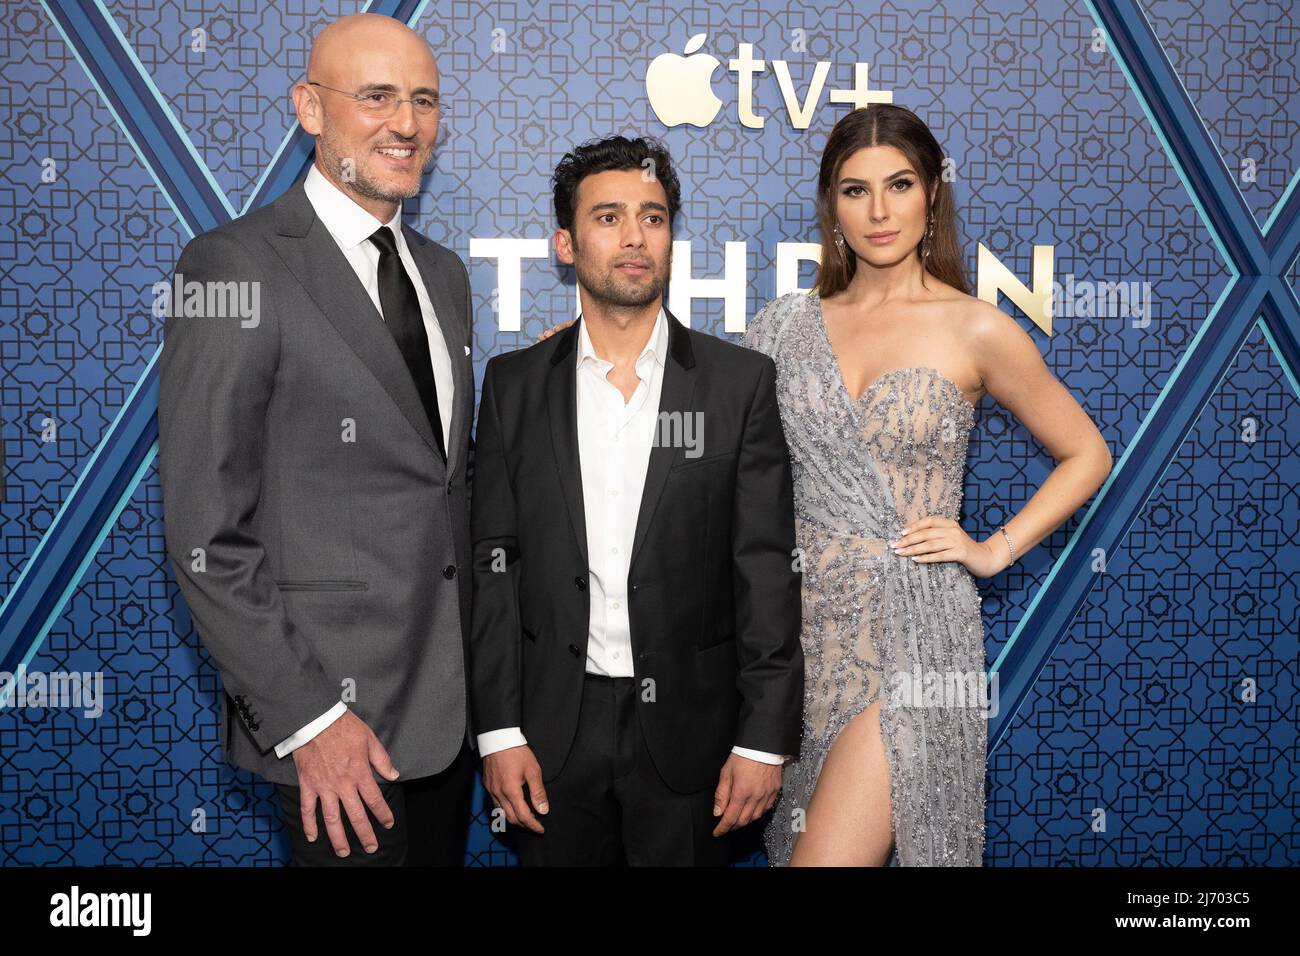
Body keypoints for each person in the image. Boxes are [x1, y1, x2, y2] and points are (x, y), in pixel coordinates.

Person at [744, 104, 1113, 865]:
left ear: (933, 195)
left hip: (914, 636)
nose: (879, 211)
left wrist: (993, 549)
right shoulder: (783, 326)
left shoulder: (975, 327)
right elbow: (701, 416)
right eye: (855, 190)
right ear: (831, 206)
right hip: (796, 638)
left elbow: (1088, 454)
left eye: (900, 184)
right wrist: (596, 350)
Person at [158, 13, 475, 866]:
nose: (405, 125)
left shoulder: (443, 274)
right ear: (309, 106)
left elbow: (438, 478)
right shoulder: (229, 266)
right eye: (375, 97)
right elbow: (203, 531)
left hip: (448, 720)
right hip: (336, 733)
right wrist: (307, 720)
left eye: (423, 101)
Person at [470, 135, 804, 866]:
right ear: (566, 242)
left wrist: (762, 736)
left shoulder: (736, 384)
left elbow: (765, 570)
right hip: (551, 732)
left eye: (653, 218)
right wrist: (497, 731)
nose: (633, 238)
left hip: (695, 738)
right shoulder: (515, 386)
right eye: (609, 217)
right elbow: (494, 568)